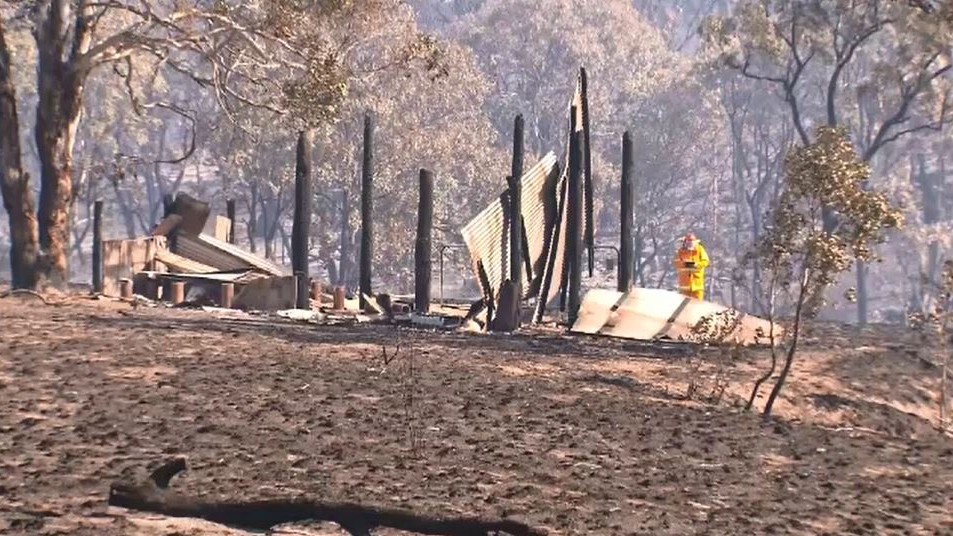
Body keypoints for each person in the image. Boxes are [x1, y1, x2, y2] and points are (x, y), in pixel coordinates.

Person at [673, 232, 709, 300]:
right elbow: (676, 263)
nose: (690, 243)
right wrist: (685, 264)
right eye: (688, 241)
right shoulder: (680, 251)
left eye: (692, 241)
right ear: (685, 241)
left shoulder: (700, 249)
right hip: (684, 285)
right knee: (684, 307)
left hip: (697, 285)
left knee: (697, 306)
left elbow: (706, 261)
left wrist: (696, 265)